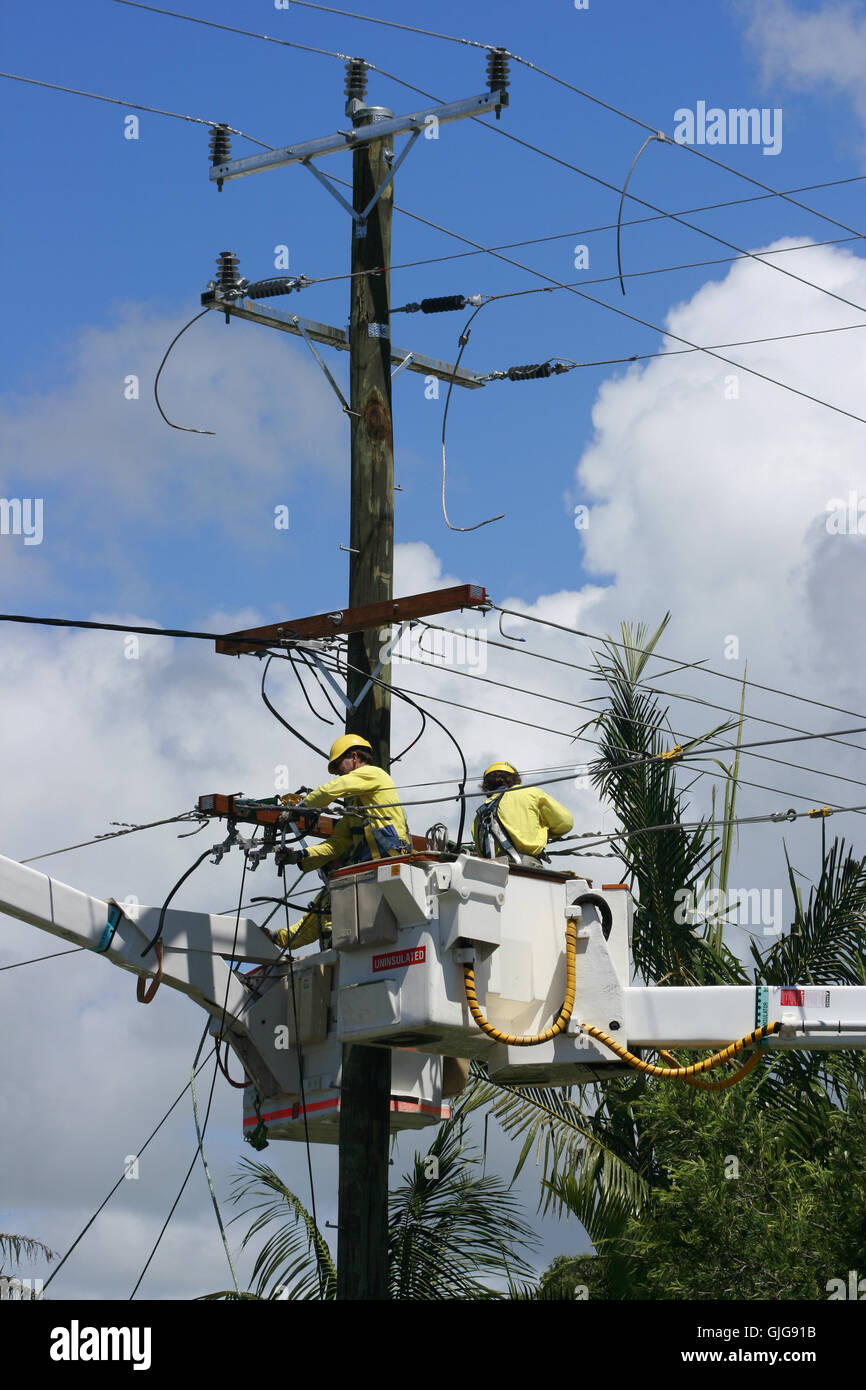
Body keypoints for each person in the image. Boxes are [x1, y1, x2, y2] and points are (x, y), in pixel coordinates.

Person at [269, 734, 411, 950]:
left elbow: (334, 788)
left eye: (337, 765)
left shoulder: (373, 774)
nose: (336, 771)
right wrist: (298, 857)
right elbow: (335, 845)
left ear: (354, 757)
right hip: (372, 869)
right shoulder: (356, 806)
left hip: (390, 859)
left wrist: (301, 806)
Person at [472, 761, 573, 865]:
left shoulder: (479, 815)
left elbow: (481, 853)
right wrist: (541, 831)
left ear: (486, 785)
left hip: (492, 872)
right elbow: (565, 822)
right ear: (514, 778)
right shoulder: (530, 793)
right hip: (526, 867)